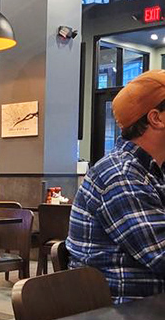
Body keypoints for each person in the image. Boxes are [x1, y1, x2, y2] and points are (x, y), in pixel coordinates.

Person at [67, 70, 165, 302]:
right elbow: (161, 254)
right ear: (156, 118)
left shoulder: (154, 170)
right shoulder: (121, 175)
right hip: (122, 319)